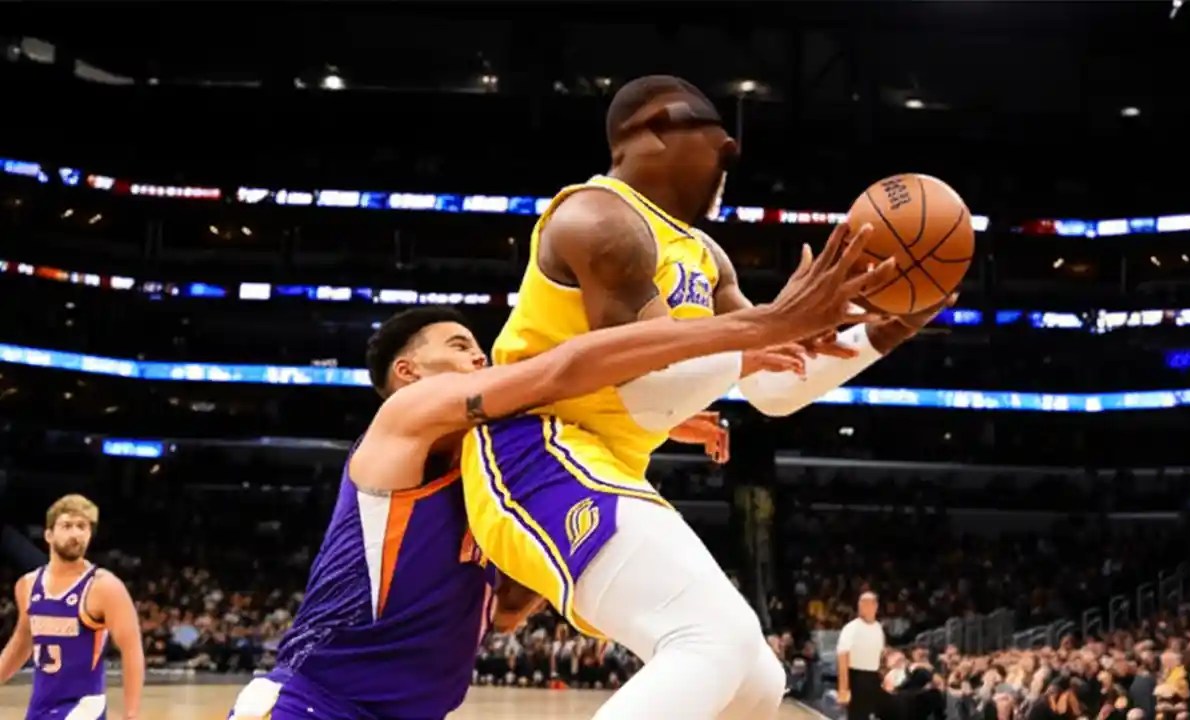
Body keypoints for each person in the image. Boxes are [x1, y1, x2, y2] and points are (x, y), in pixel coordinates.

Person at [229, 229, 895, 720]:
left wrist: (654, 423)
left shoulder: (494, 477)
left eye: (481, 347)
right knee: (719, 640)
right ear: (408, 372)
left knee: (749, 672)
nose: (481, 358)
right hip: (313, 706)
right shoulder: (404, 420)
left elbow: (512, 612)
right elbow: (556, 374)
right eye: (461, 348)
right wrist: (750, 333)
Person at [460, 73, 942, 720]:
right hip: (531, 449)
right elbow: (648, 379)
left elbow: (771, 387)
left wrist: (882, 332)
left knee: (755, 681)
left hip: (600, 465)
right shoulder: (599, 220)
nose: (729, 149)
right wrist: (766, 332)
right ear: (651, 132)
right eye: (710, 129)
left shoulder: (706, 256)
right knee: (710, 639)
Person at [0, 494, 145, 720]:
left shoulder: (105, 587)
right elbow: (22, 640)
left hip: (83, 706)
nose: (75, 533)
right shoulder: (27, 585)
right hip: (40, 705)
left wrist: (131, 712)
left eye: (82, 527)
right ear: (49, 534)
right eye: (67, 525)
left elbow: (132, 650)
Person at [837, 592, 887, 720]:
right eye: (860, 602)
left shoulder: (878, 628)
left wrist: (884, 676)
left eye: (865, 603)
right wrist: (843, 688)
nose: (860, 606)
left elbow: (880, 655)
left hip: (873, 677)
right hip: (856, 677)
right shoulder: (851, 628)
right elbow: (842, 657)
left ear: (875, 606)